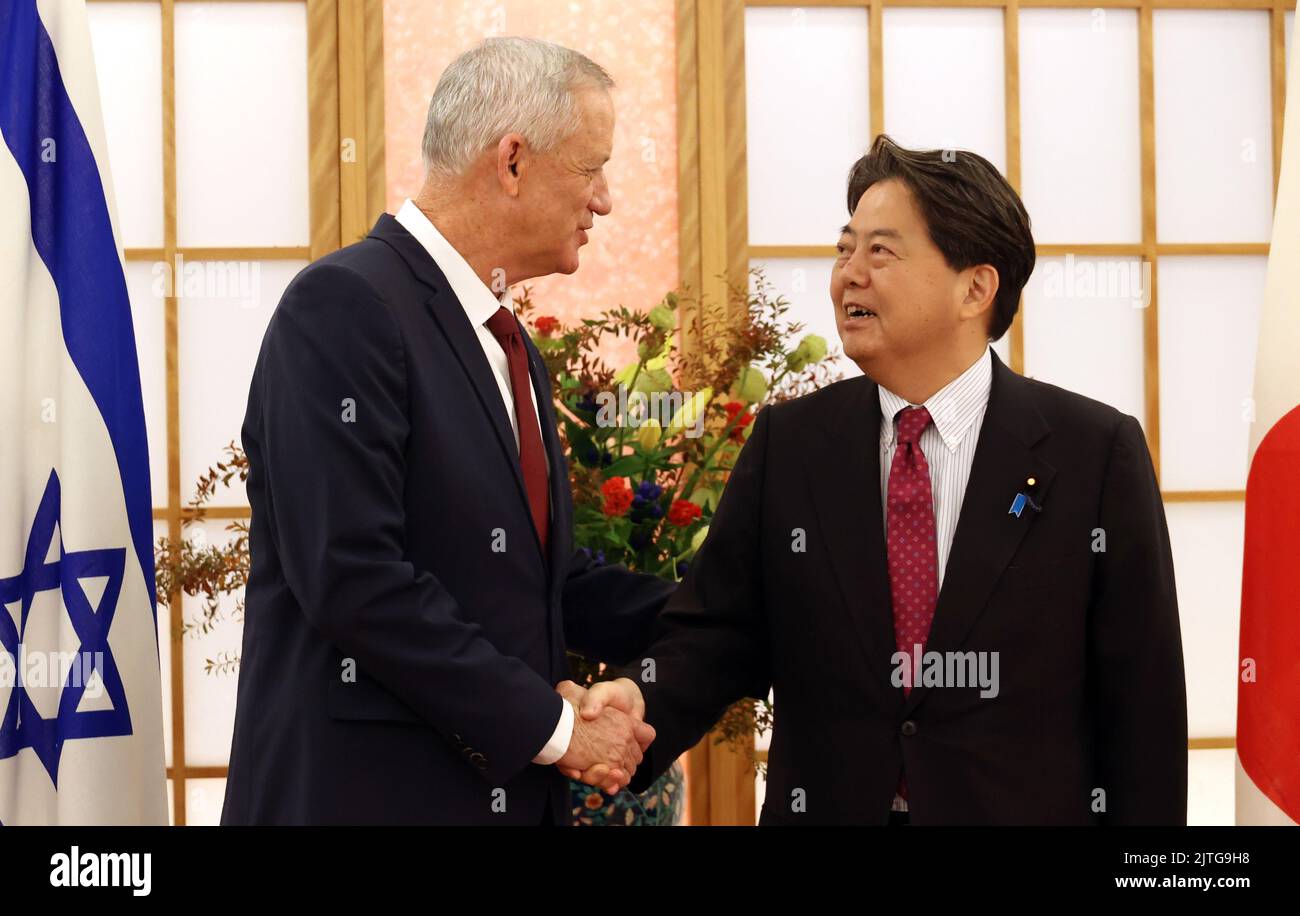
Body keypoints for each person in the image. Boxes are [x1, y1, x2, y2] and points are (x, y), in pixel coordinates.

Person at [578, 135, 1188, 825]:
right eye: (845, 249)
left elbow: (1143, 706)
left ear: (975, 288)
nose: (849, 275)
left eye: (881, 251)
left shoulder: (1093, 453)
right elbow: (719, 634)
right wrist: (640, 700)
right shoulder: (793, 445)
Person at [222, 37, 673, 826]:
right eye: (590, 168)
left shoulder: (511, 346)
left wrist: (739, 605)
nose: (604, 200)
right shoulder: (342, 308)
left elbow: (545, 580)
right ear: (511, 162)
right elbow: (354, 577)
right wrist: (560, 731)